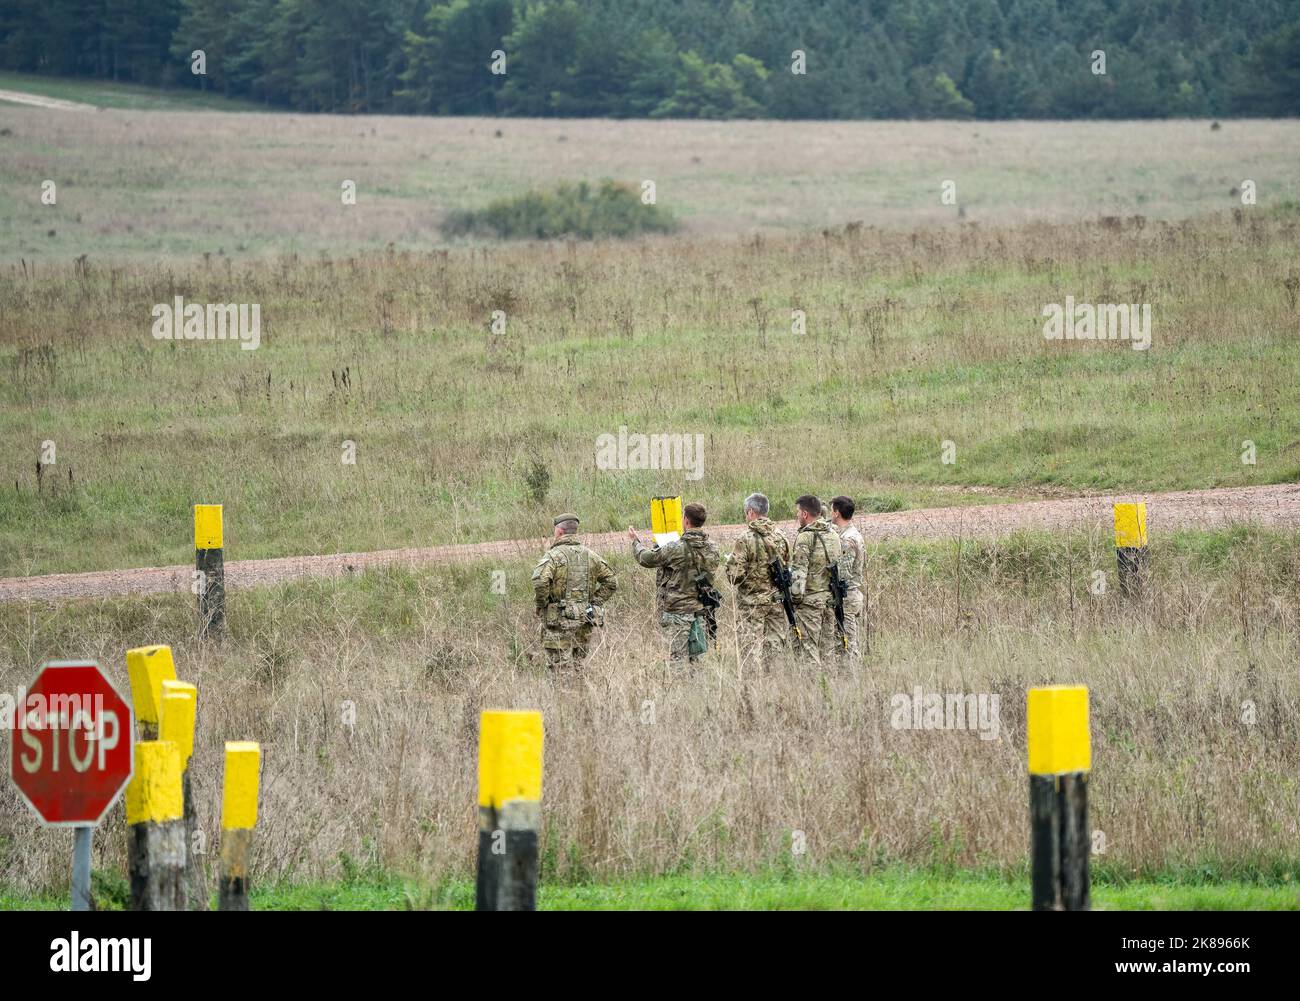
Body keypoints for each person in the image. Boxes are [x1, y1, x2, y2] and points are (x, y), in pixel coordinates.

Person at [627, 502, 721, 664]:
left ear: (685, 520)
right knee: (696, 661)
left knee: (677, 661)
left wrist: (636, 542)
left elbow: (646, 559)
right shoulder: (713, 548)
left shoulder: (675, 548)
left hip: (677, 612)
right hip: (700, 611)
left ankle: (679, 688)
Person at [531, 513, 616, 669]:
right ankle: (580, 692)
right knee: (579, 665)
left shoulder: (552, 556)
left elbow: (540, 581)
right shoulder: (592, 556)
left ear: (559, 532)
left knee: (558, 667)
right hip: (585, 618)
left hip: (558, 620)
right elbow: (611, 581)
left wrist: (542, 604)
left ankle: (563, 693)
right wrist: (592, 602)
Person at [725, 492, 792, 672]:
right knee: (775, 647)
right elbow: (787, 569)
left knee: (750, 650)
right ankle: (776, 687)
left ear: (751, 512)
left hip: (751, 604)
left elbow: (734, 576)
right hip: (776, 602)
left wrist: (730, 565)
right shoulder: (781, 537)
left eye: (746, 512)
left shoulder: (745, 539)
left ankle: (752, 690)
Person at [789, 494, 841, 664]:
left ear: (805, 514)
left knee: (808, 651)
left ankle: (812, 688)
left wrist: (794, 600)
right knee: (828, 653)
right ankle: (831, 687)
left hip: (810, 603)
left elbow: (799, 573)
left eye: (798, 512)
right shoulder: (833, 534)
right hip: (829, 601)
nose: (797, 516)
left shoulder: (805, 536)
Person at [824, 495, 866, 661]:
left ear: (836, 513)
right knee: (846, 641)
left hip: (847, 596)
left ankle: (851, 680)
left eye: (832, 510)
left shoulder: (848, 540)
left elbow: (842, 573)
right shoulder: (851, 534)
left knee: (847, 644)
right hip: (849, 596)